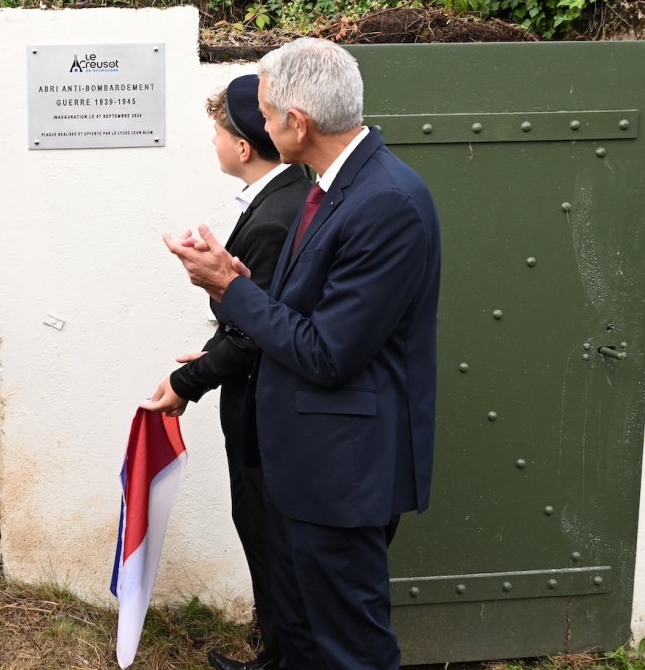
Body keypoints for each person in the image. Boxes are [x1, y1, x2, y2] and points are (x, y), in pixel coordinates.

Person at [162, 38, 440, 670]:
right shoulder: (333, 186)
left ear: (298, 121)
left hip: (342, 472)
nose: (256, 126)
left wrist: (228, 289)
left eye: (263, 112)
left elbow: (326, 353)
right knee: (310, 639)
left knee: (350, 648)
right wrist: (237, 275)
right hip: (310, 462)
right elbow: (306, 308)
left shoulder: (386, 202)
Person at [143, 75, 309, 670]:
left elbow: (258, 337)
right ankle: (277, 655)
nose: (212, 144)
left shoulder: (273, 217)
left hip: (266, 415)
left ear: (242, 147)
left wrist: (189, 382)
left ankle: (283, 660)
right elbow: (253, 322)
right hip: (264, 401)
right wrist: (211, 354)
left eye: (217, 134)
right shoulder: (284, 199)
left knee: (270, 539)